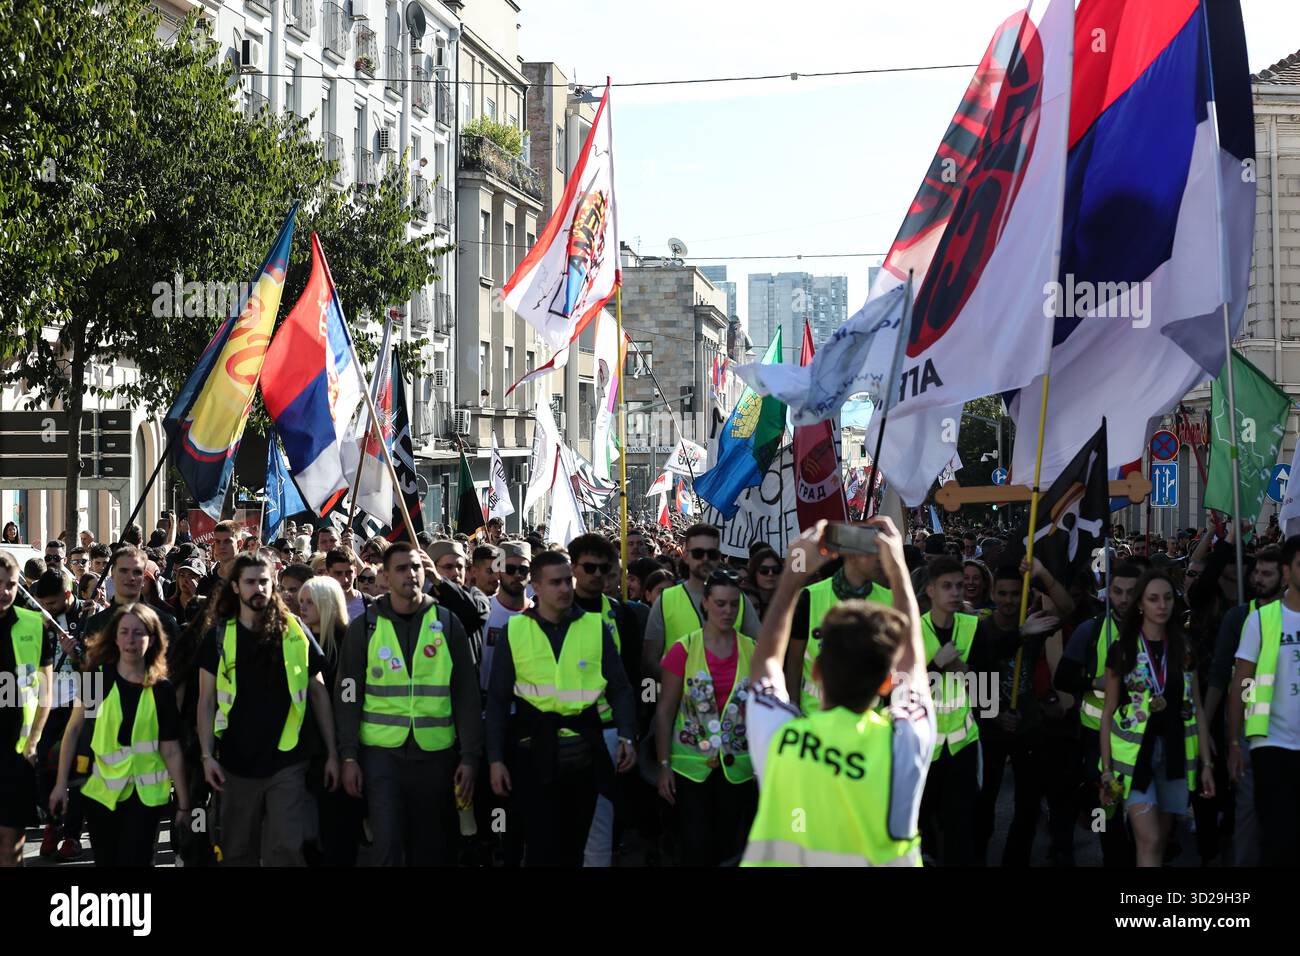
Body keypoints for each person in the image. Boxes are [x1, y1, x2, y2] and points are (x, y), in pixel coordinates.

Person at [741, 518, 934, 866]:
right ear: (887, 682)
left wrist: (794, 573)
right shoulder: (904, 742)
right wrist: (900, 572)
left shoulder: (780, 737)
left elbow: (765, 662)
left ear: (818, 670)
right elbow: (915, 668)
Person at [487, 549, 638, 866]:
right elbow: (499, 700)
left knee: (575, 849)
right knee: (541, 848)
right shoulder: (515, 630)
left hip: (585, 753)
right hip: (533, 754)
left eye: (568, 581)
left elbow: (621, 688)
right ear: (536, 588)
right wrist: (496, 759)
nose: (565, 589)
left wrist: (626, 736)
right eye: (555, 583)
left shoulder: (595, 627)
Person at [335, 541, 483, 866]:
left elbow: (467, 695)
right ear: (385, 577)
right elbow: (347, 696)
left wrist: (470, 757)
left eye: (416, 567)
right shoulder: (365, 628)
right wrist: (348, 756)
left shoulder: (447, 623)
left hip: (435, 756)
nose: (411, 574)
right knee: (386, 844)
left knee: (431, 848)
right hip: (380, 756)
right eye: (401, 568)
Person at [196, 554, 339, 866]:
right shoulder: (218, 636)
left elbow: (318, 691)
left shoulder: (295, 629)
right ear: (235, 587)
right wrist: (207, 756)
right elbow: (206, 702)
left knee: (286, 850)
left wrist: (332, 753)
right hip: (235, 764)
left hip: (288, 761)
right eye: (250, 582)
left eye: (264, 581)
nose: (258, 588)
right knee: (237, 852)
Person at [50, 602, 189, 866]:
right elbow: (74, 729)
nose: (131, 640)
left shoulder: (162, 689)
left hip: (146, 798)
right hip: (102, 794)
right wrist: (60, 785)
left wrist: (183, 803)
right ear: (114, 637)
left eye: (139, 633)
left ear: (152, 639)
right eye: (124, 632)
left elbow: (170, 748)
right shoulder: (96, 678)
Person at [1100, 569, 1213, 867]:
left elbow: (1198, 707)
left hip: (1176, 753)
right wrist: (1107, 770)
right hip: (1137, 757)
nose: (1161, 605)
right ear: (1141, 604)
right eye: (1153, 599)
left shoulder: (1184, 647)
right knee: (1148, 839)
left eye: (1167, 598)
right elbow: (1108, 712)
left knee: (1160, 842)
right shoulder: (1122, 650)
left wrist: (1207, 764)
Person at [654, 569, 758, 865]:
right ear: (706, 604)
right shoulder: (683, 649)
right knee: (695, 846)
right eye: (720, 603)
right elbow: (665, 711)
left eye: (734, 604)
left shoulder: (752, 649)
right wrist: (664, 766)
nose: (727, 611)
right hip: (690, 768)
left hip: (737, 769)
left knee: (729, 848)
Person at [972, 563, 1065, 867]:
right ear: (993, 593)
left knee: (1027, 807)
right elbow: (975, 675)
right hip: (991, 729)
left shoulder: (1034, 624)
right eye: (1003, 593)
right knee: (984, 804)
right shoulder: (980, 629)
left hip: (1029, 727)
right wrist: (996, 714)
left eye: (1016, 594)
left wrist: (1045, 575)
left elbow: (1066, 608)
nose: (1009, 600)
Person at [1056, 561, 1142, 866]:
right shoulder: (1091, 629)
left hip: (1142, 739)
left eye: (1131, 593)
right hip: (1097, 737)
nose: (1123, 599)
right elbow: (1062, 679)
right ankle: (1109, 853)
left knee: (1140, 816)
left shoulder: (1156, 630)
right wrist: (1095, 682)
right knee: (1108, 815)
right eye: (1117, 591)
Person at [568, 533, 644, 867]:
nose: (597, 575)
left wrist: (630, 732)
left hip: (610, 733)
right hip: (562, 736)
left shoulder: (622, 615)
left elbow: (631, 679)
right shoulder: (549, 614)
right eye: (589, 567)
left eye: (604, 568)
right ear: (573, 568)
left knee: (604, 827)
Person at [1226, 536, 1300, 866]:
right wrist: (1234, 742)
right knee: (1276, 837)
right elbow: (1241, 682)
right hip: (1272, 744)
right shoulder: (1262, 620)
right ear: (1287, 572)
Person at [1208, 545, 1282, 866]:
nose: (1258, 579)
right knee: (1249, 810)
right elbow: (1220, 673)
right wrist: (1212, 729)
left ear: (1286, 576)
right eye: (1256, 572)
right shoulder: (1240, 616)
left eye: (1268, 573)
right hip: (1249, 731)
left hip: (1287, 732)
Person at [295, 575, 365, 867]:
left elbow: (351, 699)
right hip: (305, 753)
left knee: (339, 834)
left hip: (340, 750)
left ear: (327, 602)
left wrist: (342, 752)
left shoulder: (348, 642)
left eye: (310, 601)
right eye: (300, 602)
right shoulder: (296, 641)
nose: (303, 608)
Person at [917, 556, 981, 865]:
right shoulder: (912, 631)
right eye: (947, 586)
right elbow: (897, 693)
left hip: (961, 746)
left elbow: (986, 693)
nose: (956, 592)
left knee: (961, 829)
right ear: (930, 590)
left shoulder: (972, 627)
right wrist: (935, 665)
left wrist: (960, 668)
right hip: (922, 747)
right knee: (920, 826)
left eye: (959, 586)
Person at [787, 533, 894, 715]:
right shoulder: (810, 597)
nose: (879, 559)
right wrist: (792, 709)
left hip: (869, 722)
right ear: (851, 556)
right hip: (815, 717)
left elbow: (897, 667)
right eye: (871, 553)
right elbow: (794, 662)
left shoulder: (889, 599)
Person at [643, 524, 761, 681]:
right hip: (681, 702)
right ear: (685, 556)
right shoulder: (665, 600)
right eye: (698, 553)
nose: (705, 559)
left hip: (732, 701)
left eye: (711, 554)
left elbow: (761, 650)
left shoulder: (738, 599)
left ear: (719, 557)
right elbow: (650, 661)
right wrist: (682, 686)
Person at [0, 550, 55, 866]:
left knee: (12, 842)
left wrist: (33, 741)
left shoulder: (34, 625)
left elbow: (46, 691)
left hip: (17, 751)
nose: (5, 591)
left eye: (10, 584)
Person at [31, 570, 90, 860]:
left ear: (68, 596)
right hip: (49, 702)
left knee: (78, 769)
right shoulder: (37, 622)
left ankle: (73, 834)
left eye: (52, 604)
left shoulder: (89, 616)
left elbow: (96, 665)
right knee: (44, 763)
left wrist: (78, 653)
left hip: (82, 701)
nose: (48, 610)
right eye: (43, 604)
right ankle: (52, 824)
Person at [84, 546, 182, 661]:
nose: (130, 577)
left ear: (144, 579)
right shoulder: (95, 624)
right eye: (124, 571)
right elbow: (90, 674)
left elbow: (175, 670)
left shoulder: (164, 623)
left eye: (137, 572)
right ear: (113, 575)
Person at [325, 547, 370, 622]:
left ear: (355, 572)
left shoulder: (369, 604)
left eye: (349, 573)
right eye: (338, 573)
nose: (345, 579)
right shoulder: (321, 606)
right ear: (328, 574)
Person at [198, 520, 240, 597]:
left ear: (239, 544)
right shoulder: (206, 581)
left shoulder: (249, 579)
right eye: (218, 541)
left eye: (227, 541)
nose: (221, 546)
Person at [165, 554, 208, 628]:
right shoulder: (168, 605)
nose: (185, 580)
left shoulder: (206, 607)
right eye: (182, 575)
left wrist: (196, 597)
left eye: (191, 576)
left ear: (201, 580)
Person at [742, 545, 781, 622]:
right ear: (754, 573)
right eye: (764, 570)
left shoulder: (790, 602)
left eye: (775, 569)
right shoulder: (744, 601)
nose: (770, 574)